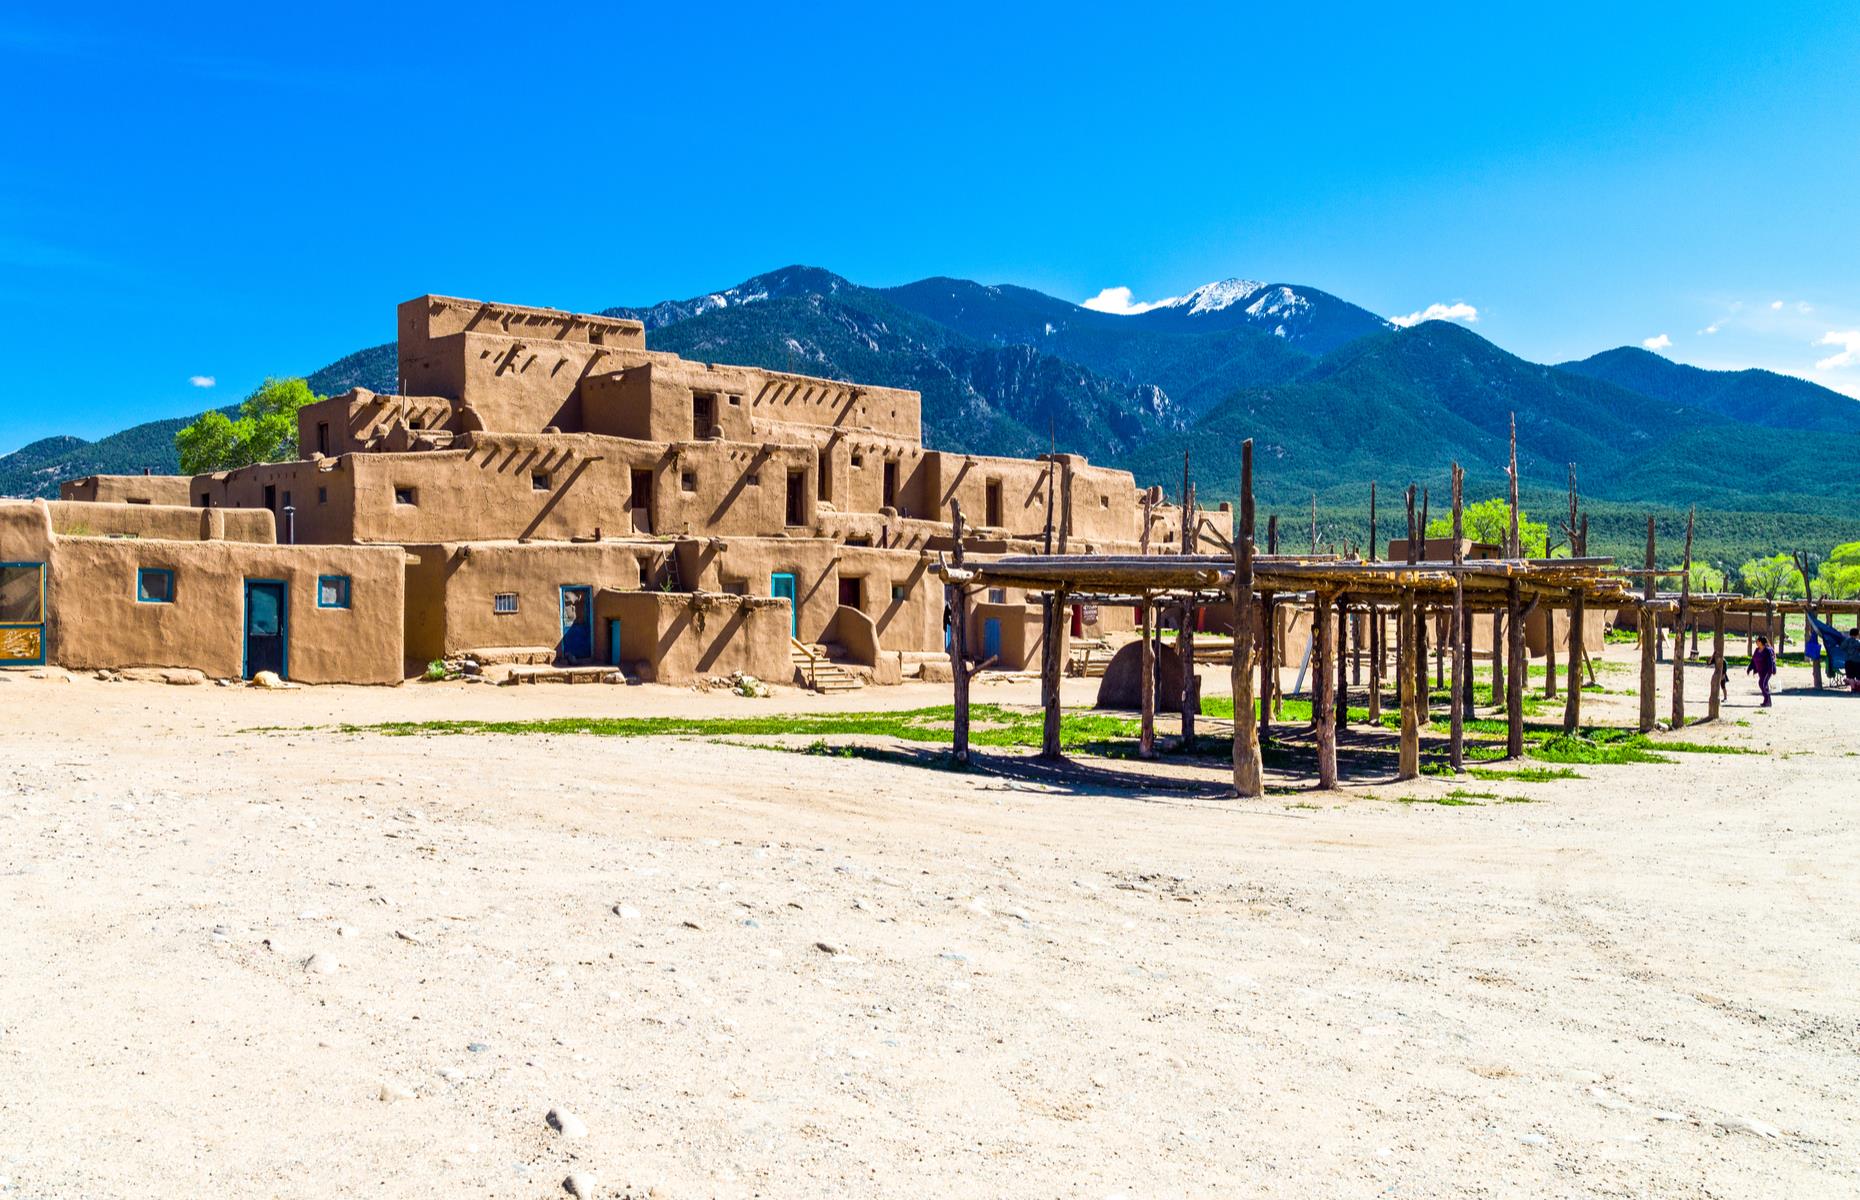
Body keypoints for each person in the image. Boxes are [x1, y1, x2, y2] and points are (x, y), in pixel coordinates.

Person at [1747, 634, 1777, 707]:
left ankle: (1767, 700)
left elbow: (1770, 660)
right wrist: (1749, 668)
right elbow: (1753, 660)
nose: (1756, 642)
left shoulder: (1767, 650)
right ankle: (1767, 701)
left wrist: (1772, 670)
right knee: (1764, 685)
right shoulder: (1757, 650)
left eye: (1757, 641)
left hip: (1767, 671)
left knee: (1762, 684)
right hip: (1760, 671)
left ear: (1760, 642)